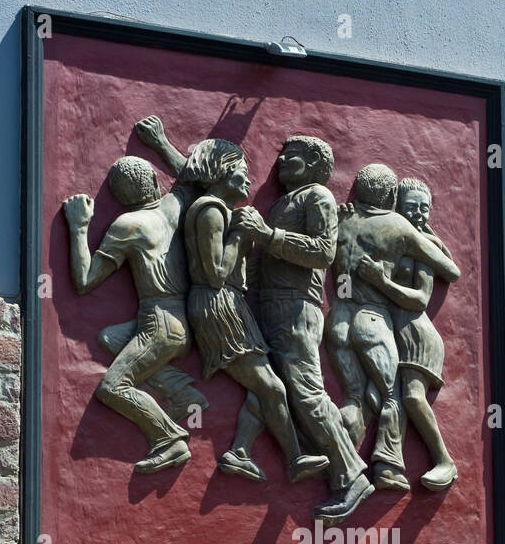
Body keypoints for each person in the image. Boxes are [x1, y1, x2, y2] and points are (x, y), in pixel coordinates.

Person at [138, 120, 328, 485]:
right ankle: (294, 458)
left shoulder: (213, 203)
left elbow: (192, 174)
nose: (248, 178)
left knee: (267, 382)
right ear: (224, 173)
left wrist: (163, 145)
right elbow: (214, 274)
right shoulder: (212, 211)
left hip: (230, 304)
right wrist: (242, 236)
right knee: (270, 386)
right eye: (241, 171)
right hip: (217, 305)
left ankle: (244, 452)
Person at [228, 135, 372, 522]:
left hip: (297, 308)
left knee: (307, 393)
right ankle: (249, 452)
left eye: (291, 156)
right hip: (272, 308)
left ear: (313, 163)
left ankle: (352, 473)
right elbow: (265, 257)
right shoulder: (280, 203)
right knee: (271, 388)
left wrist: (268, 236)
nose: (281, 161)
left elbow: (323, 252)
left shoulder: (318, 197)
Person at [63, 151, 208, 474]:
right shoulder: (176, 203)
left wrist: (78, 227)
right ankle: (181, 393)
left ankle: (169, 438)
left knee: (112, 388)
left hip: (158, 324)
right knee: (110, 337)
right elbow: (194, 174)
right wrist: (160, 143)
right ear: (156, 182)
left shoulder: (126, 225)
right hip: (183, 321)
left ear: (119, 196)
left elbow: (85, 281)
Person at [324, 164, 460, 491]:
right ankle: (379, 467)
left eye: (424, 208)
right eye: (411, 206)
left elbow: (426, 294)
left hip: (382, 328)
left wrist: (382, 278)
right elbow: (450, 270)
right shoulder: (394, 227)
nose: (418, 213)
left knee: (383, 398)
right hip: (377, 323)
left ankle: (439, 461)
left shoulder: (349, 223)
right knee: (383, 397)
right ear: (392, 198)